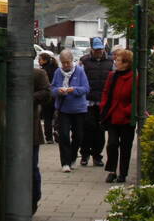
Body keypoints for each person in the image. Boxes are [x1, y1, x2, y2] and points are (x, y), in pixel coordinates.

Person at [99, 48, 137, 183]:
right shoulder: (112, 76)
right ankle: (112, 170)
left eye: (119, 60)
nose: (116, 61)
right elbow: (106, 91)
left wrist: (128, 111)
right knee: (112, 144)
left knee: (126, 147)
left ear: (126, 63)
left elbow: (136, 98)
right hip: (113, 115)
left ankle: (123, 173)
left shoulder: (134, 77)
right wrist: (103, 106)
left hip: (126, 118)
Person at [51, 49, 89, 173]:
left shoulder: (80, 71)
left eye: (68, 62)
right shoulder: (58, 72)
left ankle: (72, 157)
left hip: (79, 109)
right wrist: (58, 91)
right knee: (64, 136)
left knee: (78, 136)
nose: (66, 65)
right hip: (64, 109)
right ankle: (65, 163)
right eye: (63, 63)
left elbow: (86, 88)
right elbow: (52, 89)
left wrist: (74, 90)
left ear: (72, 60)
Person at [80, 37, 113, 167]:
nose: (99, 51)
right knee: (87, 129)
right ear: (92, 49)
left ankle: (97, 156)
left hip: (103, 102)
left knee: (100, 131)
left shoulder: (110, 62)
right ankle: (84, 154)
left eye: (100, 49)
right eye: (96, 49)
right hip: (88, 101)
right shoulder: (84, 61)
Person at [32, 60, 51, 213]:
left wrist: (27, 97)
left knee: (31, 167)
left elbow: (46, 94)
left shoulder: (38, 74)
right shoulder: (4, 72)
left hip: (31, 130)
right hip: (6, 130)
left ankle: (34, 198)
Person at [37, 50, 58, 145]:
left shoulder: (43, 71)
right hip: (57, 95)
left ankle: (49, 137)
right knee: (57, 115)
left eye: (40, 59)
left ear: (45, 60)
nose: (38, 61)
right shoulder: (56, 69)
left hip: (47, 96)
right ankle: (57, 131)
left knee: (47, 117)